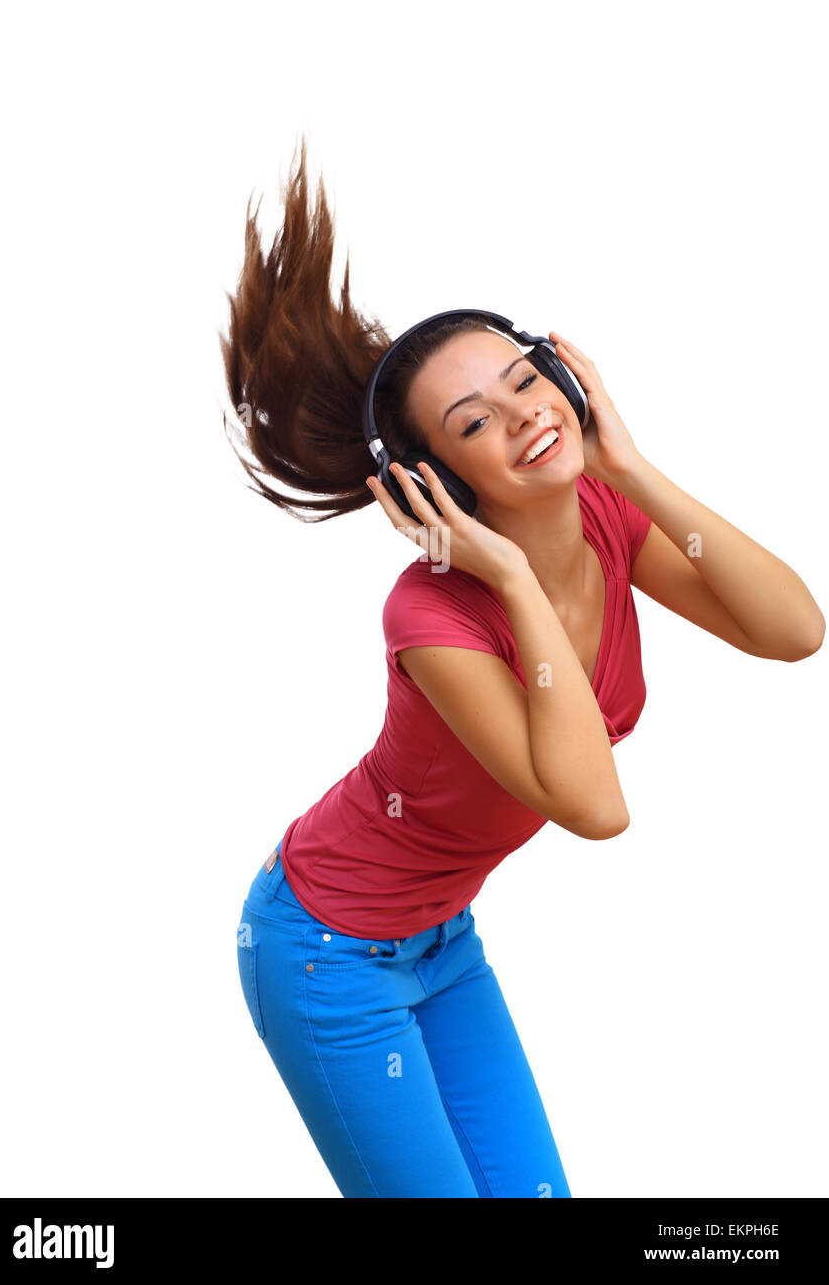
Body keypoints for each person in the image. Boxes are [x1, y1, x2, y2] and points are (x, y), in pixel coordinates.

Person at [223, 138, 825, 1199]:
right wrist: (501, 570)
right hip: (326, 953)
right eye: (474, 423)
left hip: (442, 937)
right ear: (432, 479)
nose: (524, 415)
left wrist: (630, 463)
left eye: (523, 380)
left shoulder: (607, 512)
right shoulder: (429, 615)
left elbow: (791, 629)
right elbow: (594, 806)